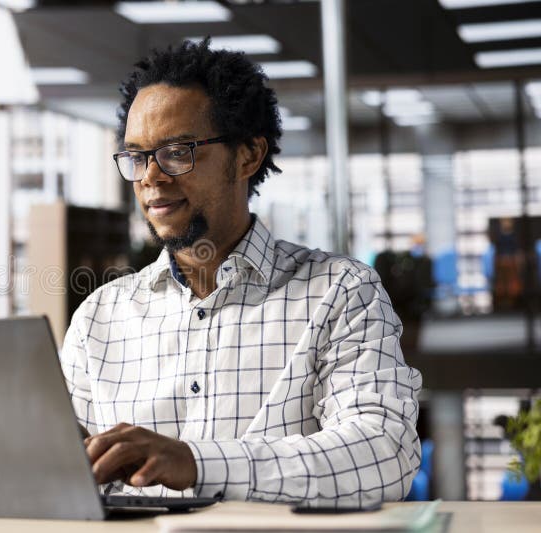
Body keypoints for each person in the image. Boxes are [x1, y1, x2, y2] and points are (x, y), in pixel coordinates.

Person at [59, 39, 422, 507]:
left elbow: (382, 454)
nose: (150, 176)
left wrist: (195, 462)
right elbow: (61, 477)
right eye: (138, 156)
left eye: (177, 151)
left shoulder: (341, 291)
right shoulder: (97, 319)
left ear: (248, 155)